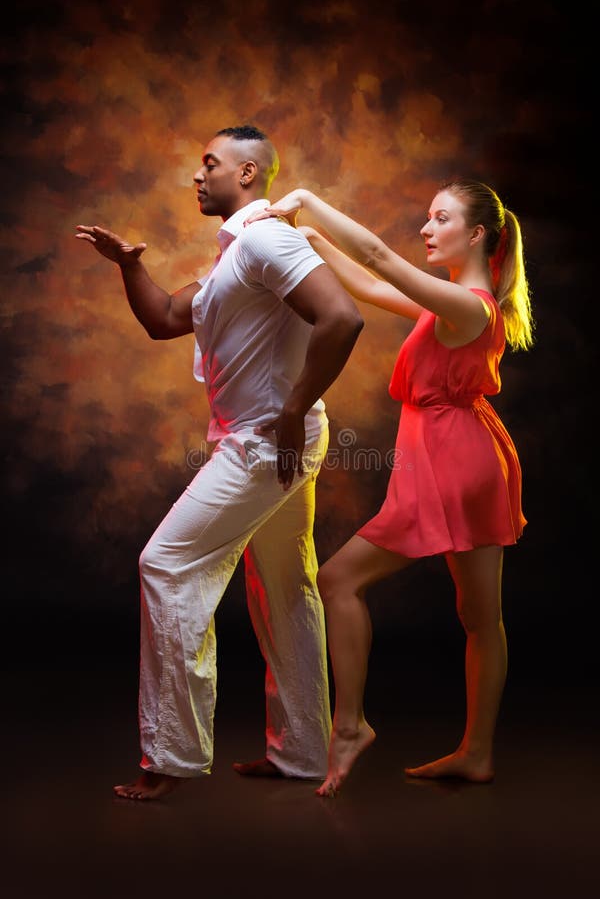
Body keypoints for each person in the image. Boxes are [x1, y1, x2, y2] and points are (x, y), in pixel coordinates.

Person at [75, 125, 364, 800]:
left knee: (166, 564)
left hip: (268, 440)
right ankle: (302, 752)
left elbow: (342, 318)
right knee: (284, 586)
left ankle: (170, 758)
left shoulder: (265, 239)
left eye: (211, 164)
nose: (198, 175)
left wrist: (293, 408)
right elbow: (165, 318)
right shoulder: (233, 256)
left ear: (248, 173)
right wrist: (129, 265)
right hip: (269, 437)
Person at [247, 178, 534, 797]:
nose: (426, 228)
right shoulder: (453, 301)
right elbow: (372, 285)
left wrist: (306, 199)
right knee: (480, 618)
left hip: (453, 465)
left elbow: (379, 259)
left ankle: (351, 725)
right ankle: (476, 754)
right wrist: (314, 240)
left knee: (338, 581)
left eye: (441, 218)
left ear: (476, 234)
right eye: (428, 217)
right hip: (470, 458)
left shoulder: (468, 306)